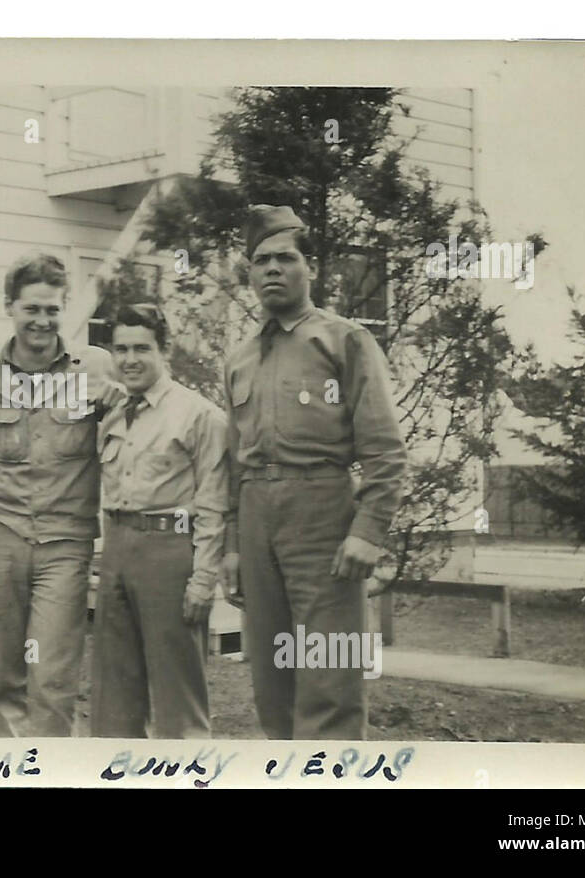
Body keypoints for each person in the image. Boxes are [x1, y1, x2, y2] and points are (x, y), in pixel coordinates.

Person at [222, 205, 408, 740]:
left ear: (311, 269)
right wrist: (234, 546)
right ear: (250, 273)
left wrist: (368, 530)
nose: (272, 269)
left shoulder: (344, 340)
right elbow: (235, 462)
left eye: (286, 257)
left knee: (330, 677)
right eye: (261, 261)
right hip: (258, 518)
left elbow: (386, 447)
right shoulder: (238, 358)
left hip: (323, 513)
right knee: (270, 676)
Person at [0, 252, 124, 737]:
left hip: (65, 545)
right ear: (10, 307)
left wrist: (117, 403)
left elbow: (127, 431)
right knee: (7, 677)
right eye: (32, 309)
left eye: (52, 309)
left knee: (51, 676)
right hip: (0, 539)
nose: (42, 321)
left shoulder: (96, 369)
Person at [91, 304, 229, 739]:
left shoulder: (198, 414)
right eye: (121, 349)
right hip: (116, 549)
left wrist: (203, 579)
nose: (130, 359)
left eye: (141, 348)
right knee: (113, 693)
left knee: (177, 696)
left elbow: (213, 503)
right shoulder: (110, 412)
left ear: (164, 349)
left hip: (169, 553)